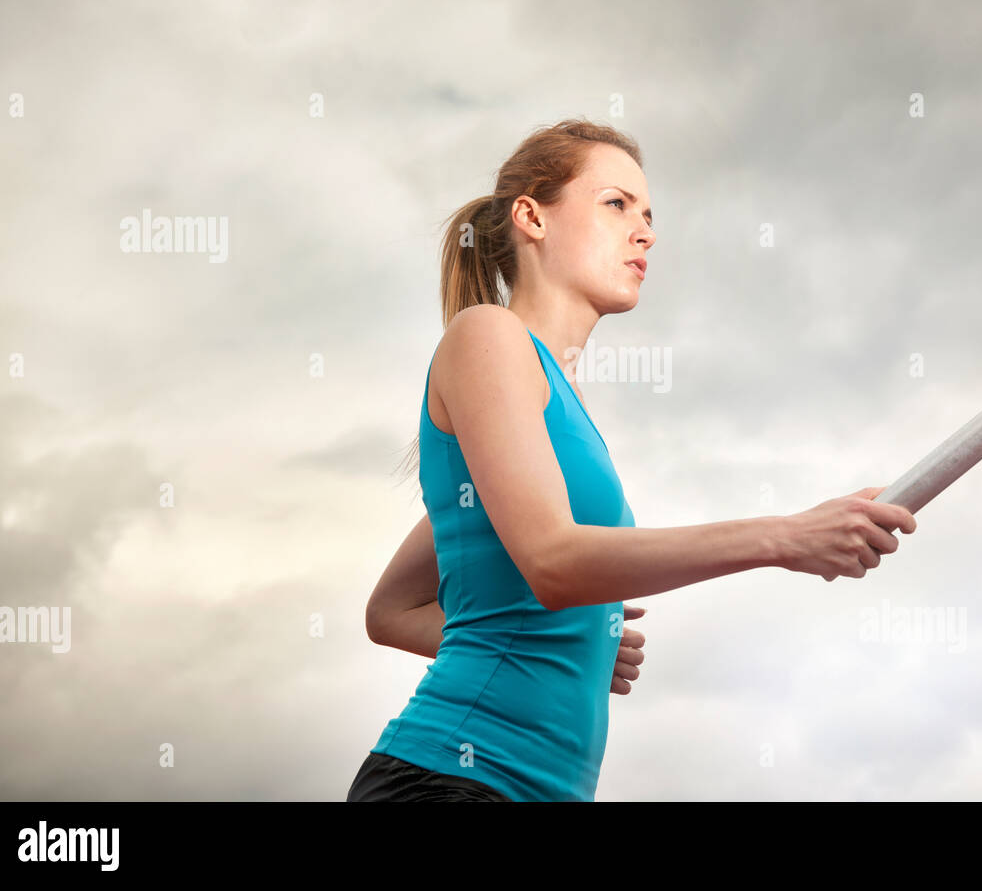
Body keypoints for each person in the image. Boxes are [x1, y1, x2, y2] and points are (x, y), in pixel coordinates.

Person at [346, 117, 918, 802]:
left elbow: (395, 608)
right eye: (616, 204)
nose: (645, 232)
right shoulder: (488, 338)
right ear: (532, 216)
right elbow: (553, 561)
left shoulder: (559, 410)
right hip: (454, 780)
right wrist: (783, 536)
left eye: (649, 215)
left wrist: (571, 636)